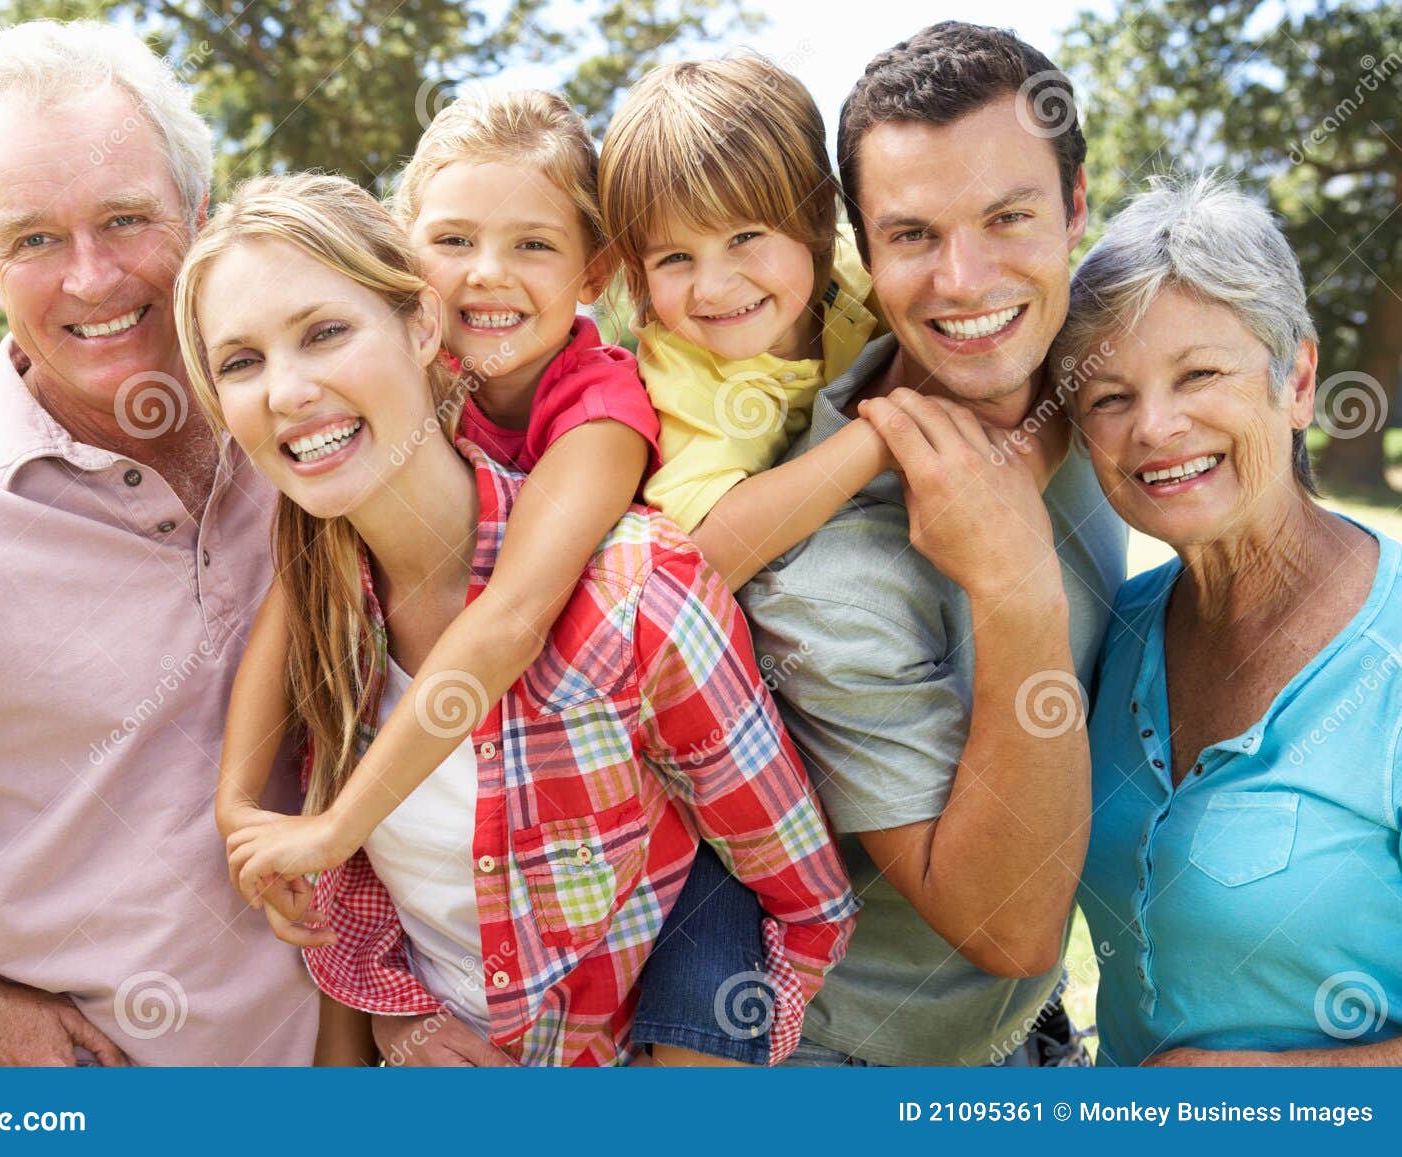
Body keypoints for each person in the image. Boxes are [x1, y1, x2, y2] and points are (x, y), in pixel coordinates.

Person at [173, 171, 860, 1067]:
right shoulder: (328, 603)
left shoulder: (640, 594)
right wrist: (401, 1016)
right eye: (241, 362)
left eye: (326, 333)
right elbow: (364, 916)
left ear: (423, 326)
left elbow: (805, 902)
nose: (289, 391)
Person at [0, 21, 318, 1064]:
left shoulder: (312, 439)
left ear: (199, 215)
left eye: (125, 219)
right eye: (33, 237)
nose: (89, 279)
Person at [718, 21, 1128, 1066]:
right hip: (862, 1069)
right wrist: (1012, 582)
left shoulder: (1109, 380)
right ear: (864, 247)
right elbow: (1008, 928)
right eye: (911, 236)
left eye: (1007, 217)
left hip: (1034, 1038)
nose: (964, 279)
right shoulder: (828, 573)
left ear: (1074, 210)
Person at [1062, 176, 1402, 1066]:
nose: (1156, 426)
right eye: (1109, 397)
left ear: (1295, 381)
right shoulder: (1113, 631)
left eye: (1200, 373)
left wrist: (1253, 1090)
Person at [598, 53, 890, 587]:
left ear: (819, 214)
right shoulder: (683, 370)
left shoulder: (855, 275)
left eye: (745, 238)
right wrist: (877, 438)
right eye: (673, 258)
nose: (711, 288)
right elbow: (705, 557)